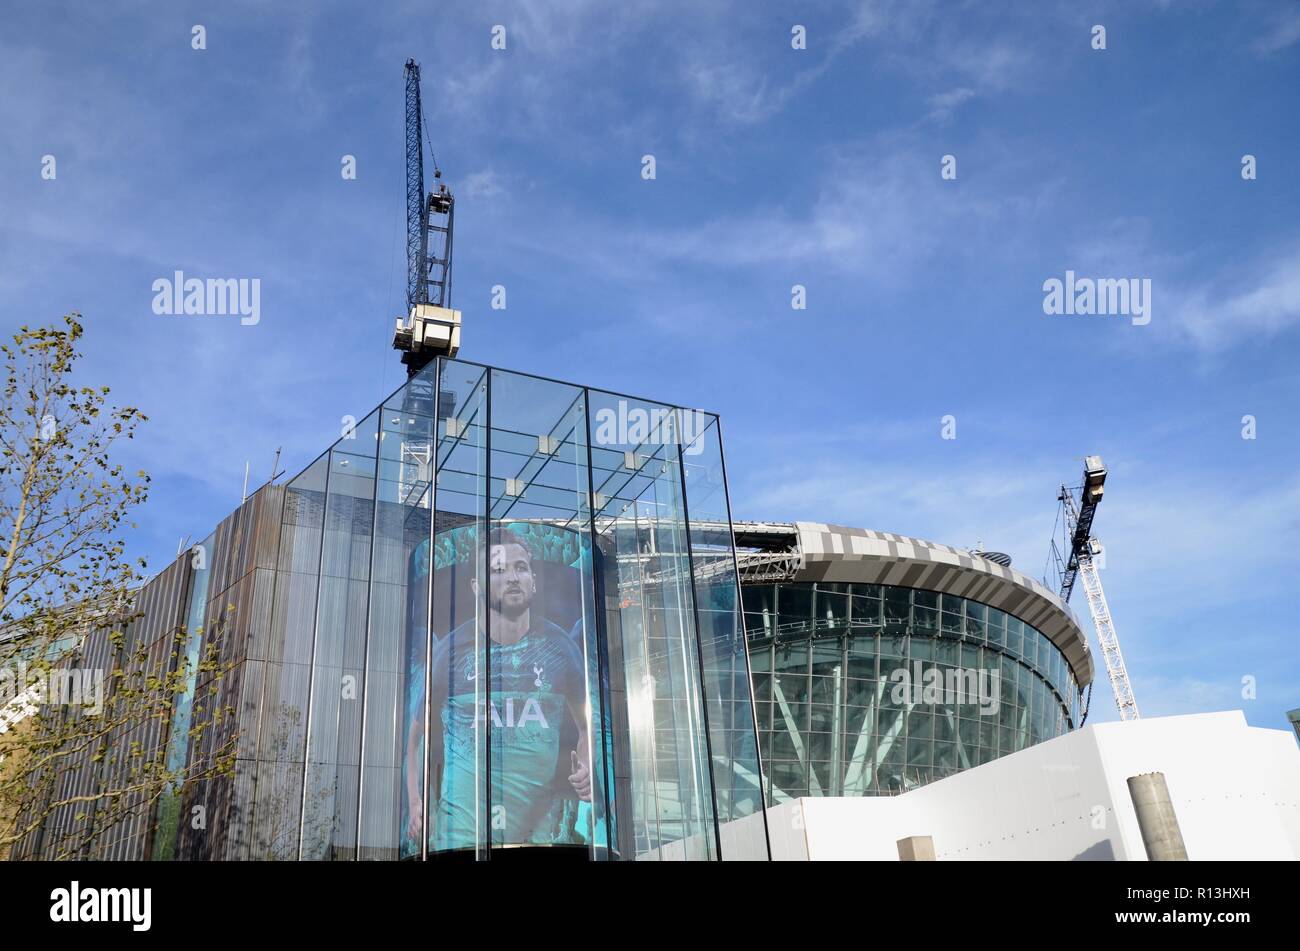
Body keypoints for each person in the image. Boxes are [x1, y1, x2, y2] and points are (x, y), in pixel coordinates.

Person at [406, 528, 591, 851]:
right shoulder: (449, 652)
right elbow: (416, 737)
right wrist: (415, 801)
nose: (513, 578)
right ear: (476, 586)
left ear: (533, 580)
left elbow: (587, 726)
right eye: (498, 570)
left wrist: (587, 767)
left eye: (521, 568)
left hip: (538, 839)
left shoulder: (560, 647)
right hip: (461, 840)